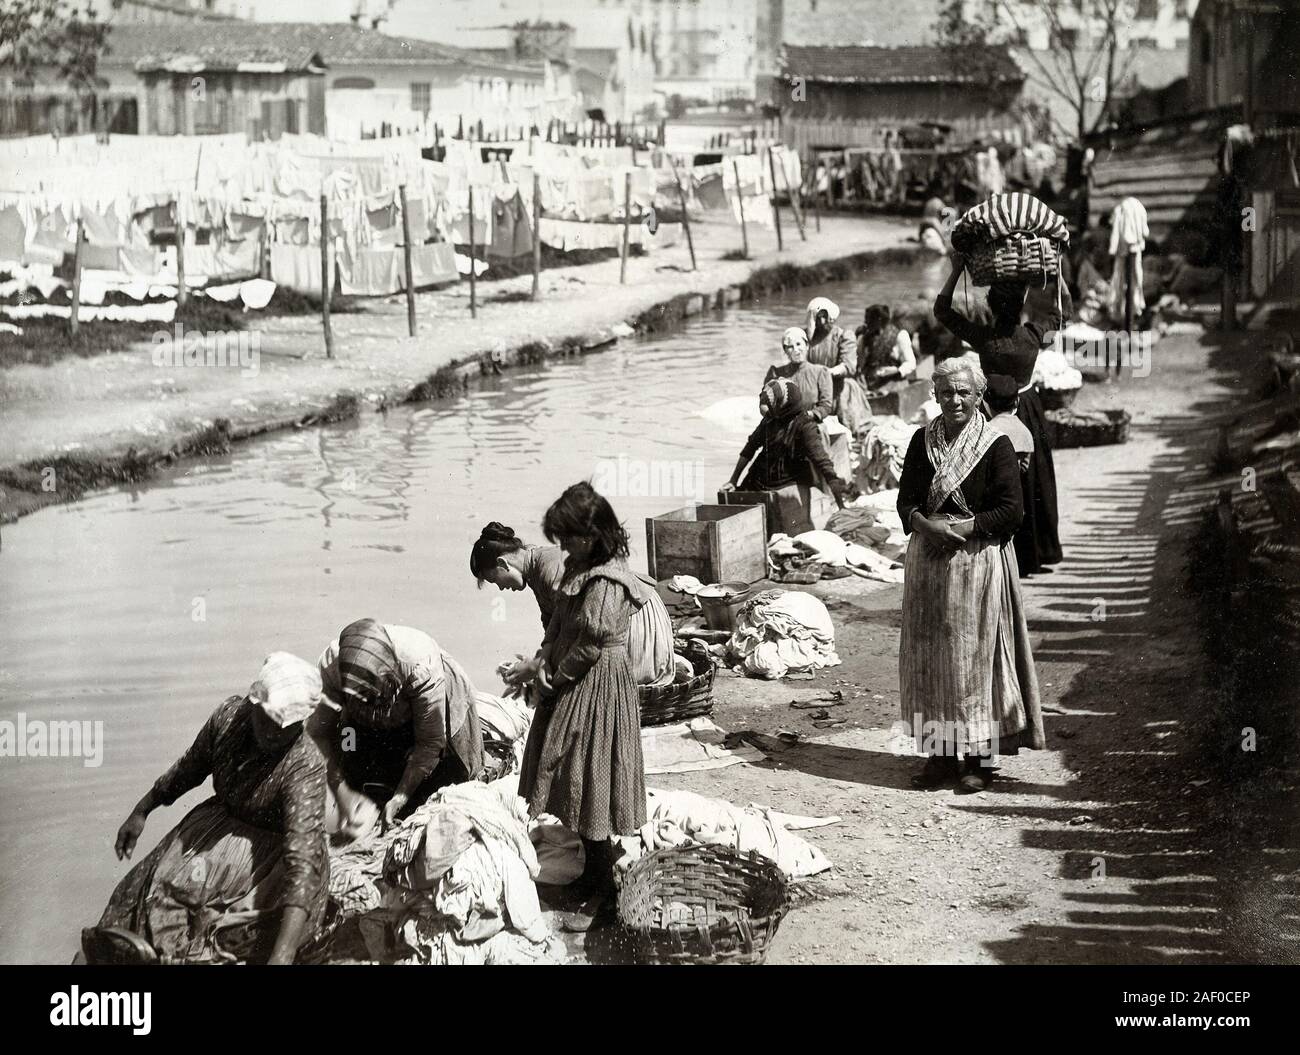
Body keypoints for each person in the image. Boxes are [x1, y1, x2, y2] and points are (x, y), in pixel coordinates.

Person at [87, 653, 329, 965]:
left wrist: (282, 956)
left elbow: (303, 860)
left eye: (283, 728)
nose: (271, 733)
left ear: (300, 723)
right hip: (217, 824)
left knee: (212, 925)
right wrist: (142, 810)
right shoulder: (228, 718)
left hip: (271, 853)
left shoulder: (305, 765)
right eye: (265, 720)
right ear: (254, 703)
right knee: (146, 889)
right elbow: (189, 768)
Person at [896, 358, 1045, 793]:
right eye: (946, 392)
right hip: (929, 565)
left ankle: (977, 759)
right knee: (931, 660)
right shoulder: (921, 441)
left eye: (963, 392)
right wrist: (927, 526)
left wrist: (958, 528)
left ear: (979, 397)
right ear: (935, 396)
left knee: (974, 662)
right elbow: (907, 501)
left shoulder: (995, 444)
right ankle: (940, 759)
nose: (954, 400)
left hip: (976, 562)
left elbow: (1010, 511)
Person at [515, 482, 649, 893]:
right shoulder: (577, 569)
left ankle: (604, 891)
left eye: (568, 541)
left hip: (600, 681)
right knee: (572, 768)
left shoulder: (608, 583)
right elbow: (558, 621)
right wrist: (541, 659)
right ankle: (591, 871)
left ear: (591, 537)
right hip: (574, 673)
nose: (564, 549)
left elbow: (590, 645)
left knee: (592, 770)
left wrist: (553, 682)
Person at [931, 253, 1063, 574]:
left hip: (990, 413)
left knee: (994, 483)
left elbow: (942, 311)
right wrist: (1056, 275)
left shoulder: (983, 337)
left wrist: (958, 268)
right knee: (1034, 480)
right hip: (1027, 408)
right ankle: (1036, 554)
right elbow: (1061, 316)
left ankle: (1000, 553)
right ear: (1020, 307)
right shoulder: (1033, 335)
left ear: (991, 306)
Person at [311, 619, 483, 840]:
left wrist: (399, 798)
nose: (373, 706)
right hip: (362, 722)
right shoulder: (331, 668)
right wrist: (341, 791)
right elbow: (318, 734)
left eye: (376, 696)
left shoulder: (420, 663)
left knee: (444, 794)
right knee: (354, 759)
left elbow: (429, 744)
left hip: (431, 705)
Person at [469, 521, 675, 688]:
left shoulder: (549, 568)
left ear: (503, 564)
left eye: (495, 580)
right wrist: (538, 663)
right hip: (613, 619)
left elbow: (580, 634)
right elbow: (554, 627)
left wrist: (535, 667)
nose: (501, 589)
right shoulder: (533, 564)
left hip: (636, 619)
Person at [722, 379, 854, 532]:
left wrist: (840, 503)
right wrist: (733, 480)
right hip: (760, 478)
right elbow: (749, 448)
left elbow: (822, 461)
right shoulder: (770, 420)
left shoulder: (805, 425)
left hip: (786, 480)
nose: (771, 414)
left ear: (783, 405)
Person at [806, 296, 872, 434]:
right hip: (815, 391)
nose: (823, 321)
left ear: (832, 316)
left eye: (825, 317)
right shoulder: (807, 338)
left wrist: (826, 373)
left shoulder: (844, 336)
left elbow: (848, 366)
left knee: (845, 432)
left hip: (839, 391)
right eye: (819, 318)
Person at [763, 326, 834, 421]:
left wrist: (809, 415)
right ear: (785, 351)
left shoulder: (820, 373)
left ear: (807, 346)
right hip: (782, 423)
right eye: (790, 347)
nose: (796, 350)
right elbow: (764, 404)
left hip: (811, 423)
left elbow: (826, 406)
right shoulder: (776, 373)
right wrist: (775, 417)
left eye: (798, 344)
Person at [855, 304, 917, 392]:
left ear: (879, 320)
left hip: (893, 382)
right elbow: (859, 361)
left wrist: (896, 370)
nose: (865, 322)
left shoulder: (900, 335)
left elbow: (911, 363)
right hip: (869, 381)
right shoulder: (864, 337)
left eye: (869, 319)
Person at [984, 373, 1034, 475]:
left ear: (986, 404)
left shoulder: (986, 430)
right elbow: (1025, 466)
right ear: (1017, 402)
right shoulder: (1025, 431)